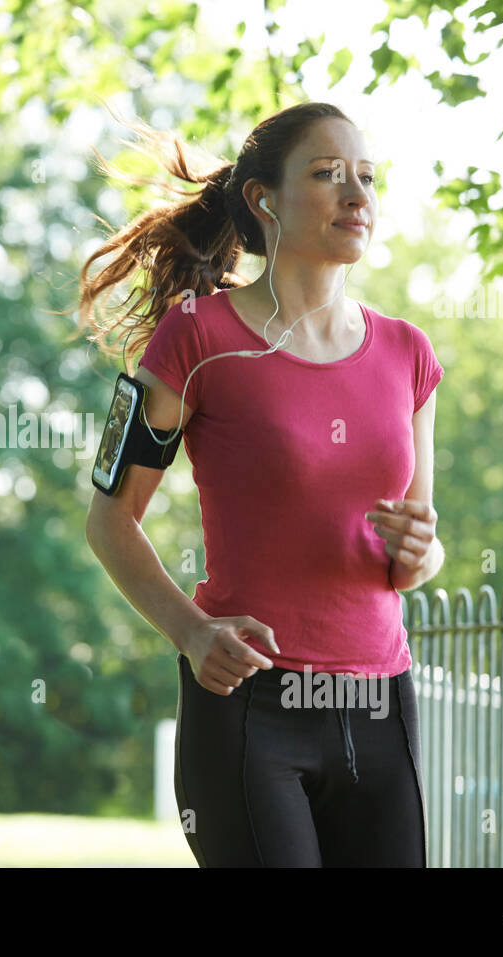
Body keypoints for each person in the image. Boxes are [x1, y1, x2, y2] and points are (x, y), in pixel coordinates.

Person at [77, 102, 445, 866]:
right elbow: (111, 519)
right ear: (263, 199)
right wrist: (190, 631)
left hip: (382, 706)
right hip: (249, 708)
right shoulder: (197, 336)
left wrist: (426, 550)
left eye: (366, 177)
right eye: (327, 174)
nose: (357, 195)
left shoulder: (409, 355)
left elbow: (413, 556)